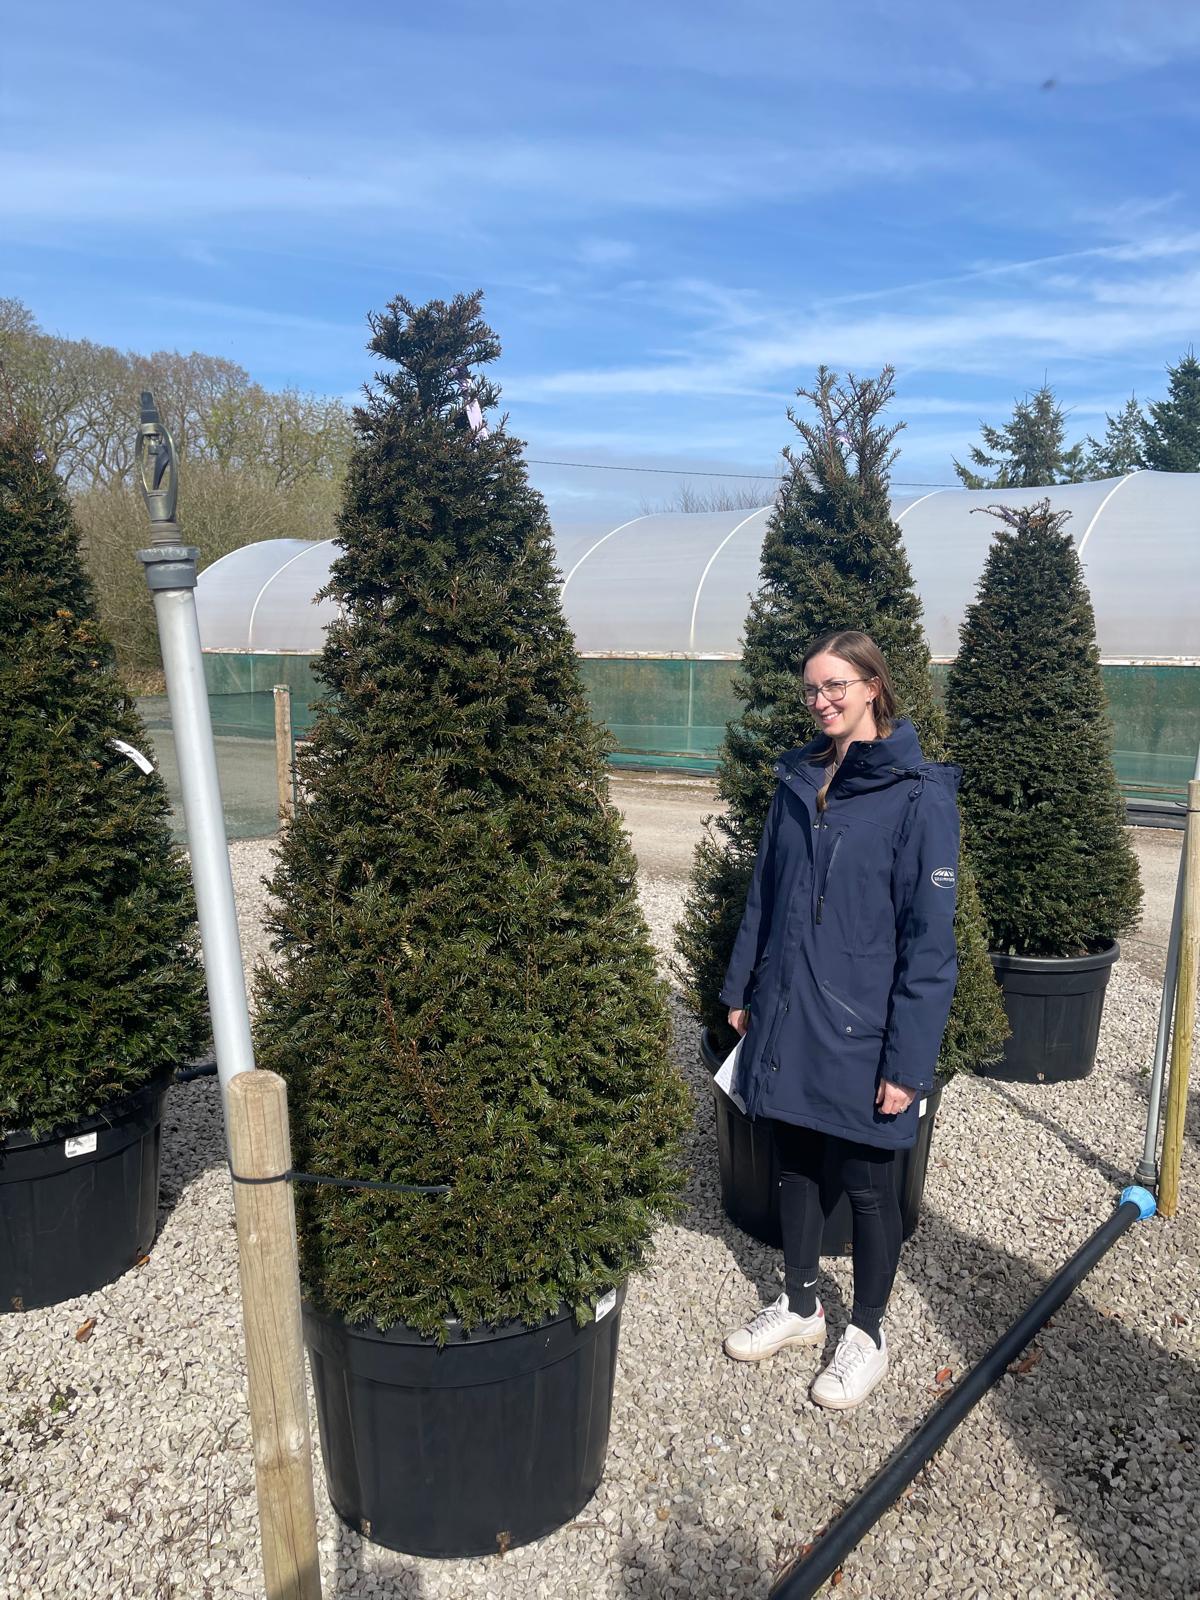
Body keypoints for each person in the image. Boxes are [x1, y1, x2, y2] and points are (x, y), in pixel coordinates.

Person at [719, 630, 960, 1409]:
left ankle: (869, 1332)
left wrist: (907, 1064)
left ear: (873, 685)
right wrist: (741, 989)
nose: (821, 702)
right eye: (812, 691)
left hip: (863, 1031)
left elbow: (931, 944)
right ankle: (798, 1304)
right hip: (788, 1012)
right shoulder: (795, 779)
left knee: (866, 1183)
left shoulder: (921, 796)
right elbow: (764, 894)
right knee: (791, 1162)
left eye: (835, 687)